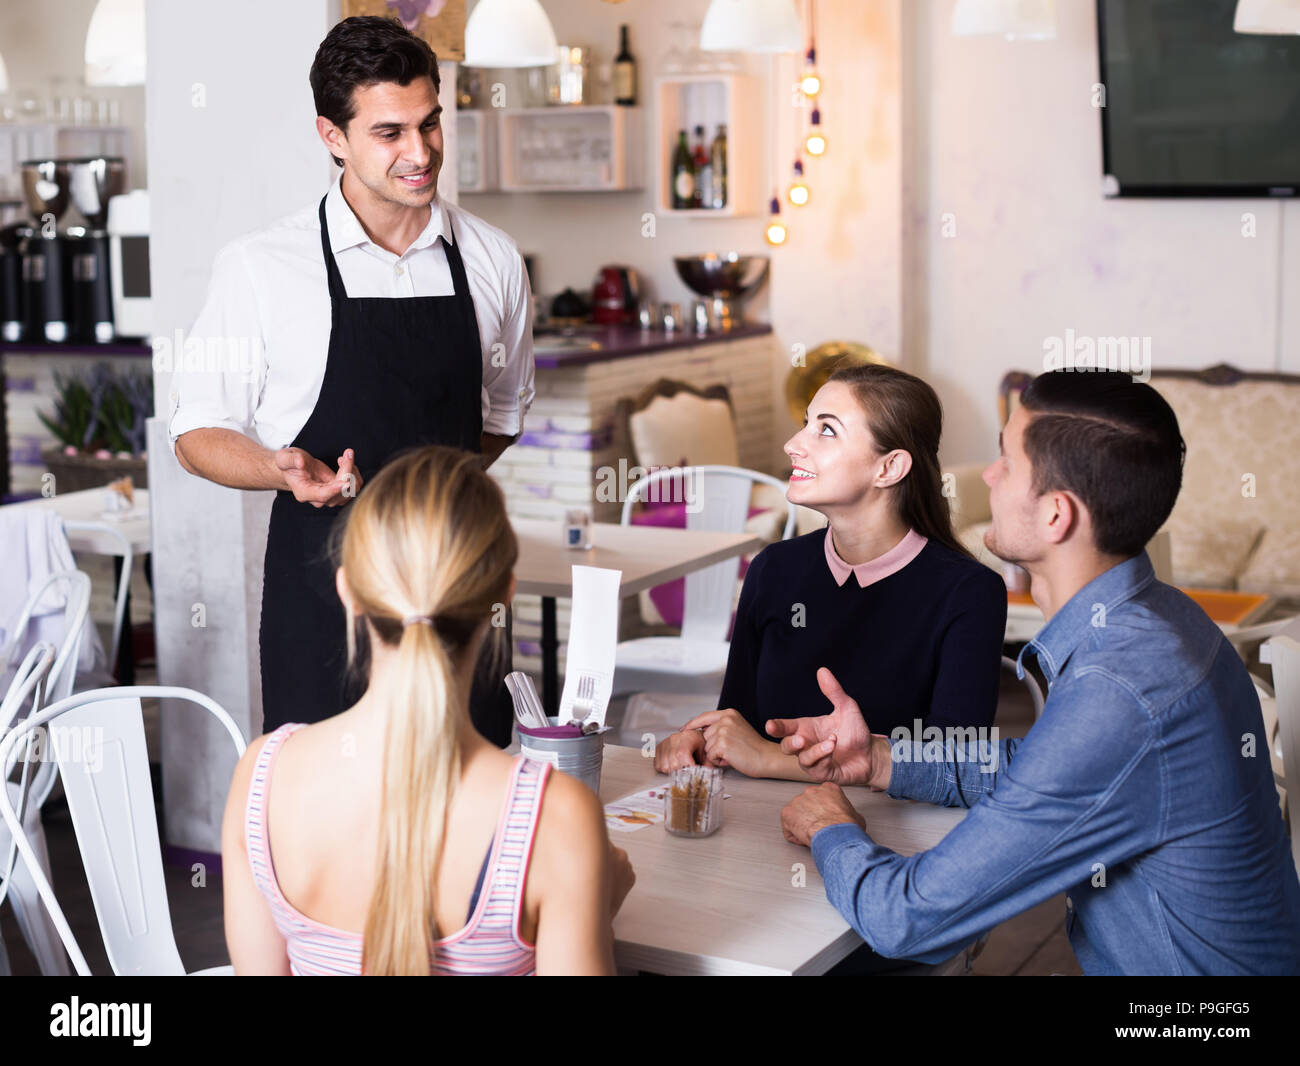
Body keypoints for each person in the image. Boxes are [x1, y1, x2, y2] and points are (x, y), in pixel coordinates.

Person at [775, 370, 1300, 975]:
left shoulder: (1122, 689)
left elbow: (909, 921)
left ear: (1056, 515)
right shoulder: (1163, 616)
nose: (989, 475)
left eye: (1005, 460)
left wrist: (830, 828)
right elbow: (1048, 771)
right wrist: (882, 759)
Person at [169, 16, 534, 743]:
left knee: (471, 818)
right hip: (321, 603)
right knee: (322, 833)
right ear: (332, 137)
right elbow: (194, 432)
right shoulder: (262, 266)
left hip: (458, 593)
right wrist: (279, 471)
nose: (421, 152)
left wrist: (424, 493)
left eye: (431, 124)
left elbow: (500, 416)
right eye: (389, 133)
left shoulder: (494, 259)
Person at [221, 446, 634, 975]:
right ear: (501, 595)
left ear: (349, 590)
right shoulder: (555, 817)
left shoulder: (262, 777)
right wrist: (596, 908)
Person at [655, 364, 1006, 781]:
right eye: (806, 425)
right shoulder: (773, 569)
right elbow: (738, 723)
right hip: (758, 820)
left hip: (895, 835)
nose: (792, 445)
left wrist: (770, 760)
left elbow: (957, 766)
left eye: (826, 430)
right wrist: (698, 740)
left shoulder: (969, 592)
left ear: (889, 468)